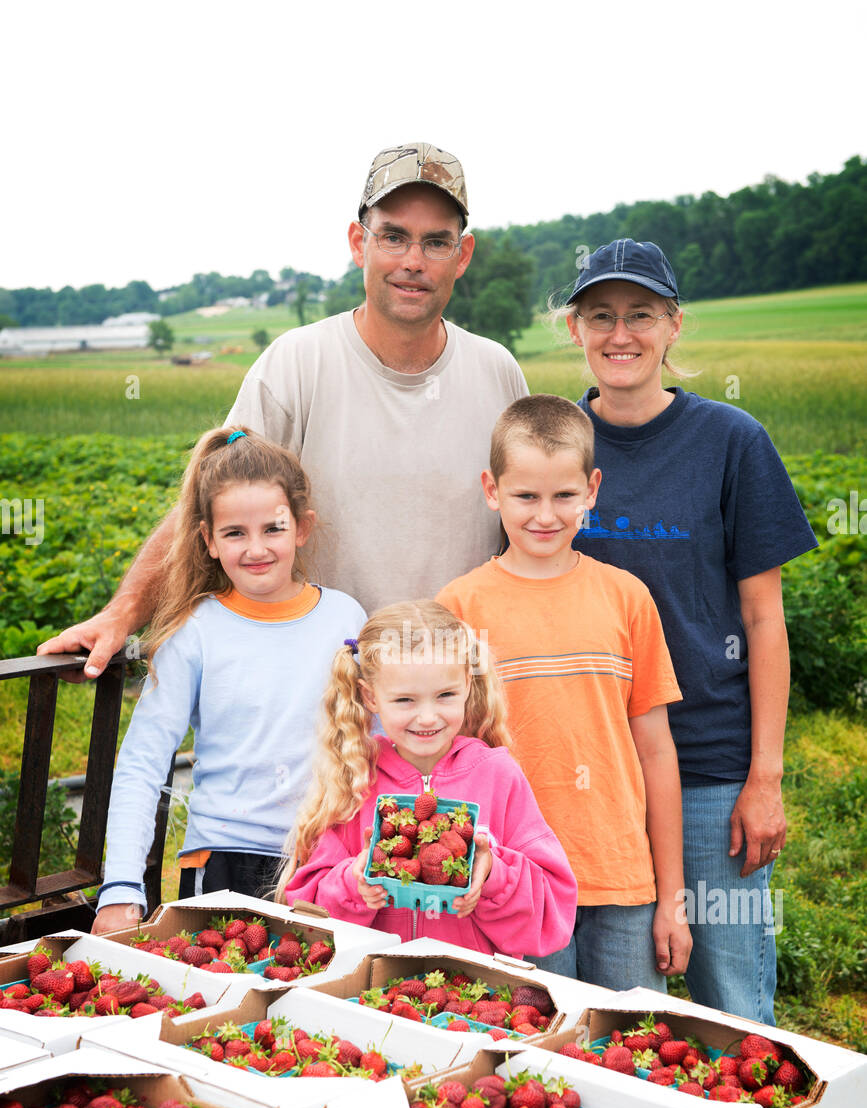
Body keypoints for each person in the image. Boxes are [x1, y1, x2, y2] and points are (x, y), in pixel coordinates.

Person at [37, 143, 528, 673]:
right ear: (358, 243)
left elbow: (533, 524)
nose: (413, 261)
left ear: (464, 254)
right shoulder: (297, 363)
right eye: (393, 236)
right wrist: (123, 612)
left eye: (436, 242)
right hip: (323, 690)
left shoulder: (497, 372)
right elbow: (211, 499)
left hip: (457, 698)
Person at [558, 238, 818, 1024]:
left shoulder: (730, 441)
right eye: (599, 315)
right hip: (591, 771)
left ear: (673, 326)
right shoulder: (552, 443)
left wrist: (762, 778)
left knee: (730, 1002)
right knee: (615, 1012)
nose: (620, 334)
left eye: (640, 314)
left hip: (708, 764)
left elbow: (762, 619)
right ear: (575, 329)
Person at [436, 394, 689, 991]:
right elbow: (446, 762)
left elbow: (656, 750)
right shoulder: (459, 607)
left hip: (621, 873)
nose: (544, 515)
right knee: (538, 1057)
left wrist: (673, 894)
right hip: (514, 878)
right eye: (525, 496)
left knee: (633, 1046)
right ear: (491, 489)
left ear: (592, 489)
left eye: (563, 496)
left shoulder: (627, 597)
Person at [91, 426, 366, 935]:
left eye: (273, 529)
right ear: (208, 540)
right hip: (221, 865)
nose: (255, 548)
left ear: (302, 528)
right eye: (235, 533)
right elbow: (142, 763)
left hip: (325, 860)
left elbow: (376, 737)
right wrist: (122, 886)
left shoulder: (345, 619)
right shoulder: (193, 631)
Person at [277, 601, 578, 958]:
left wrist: (493, 874)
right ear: (370, 696)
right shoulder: (355, 776)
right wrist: (353, 884)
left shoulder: (498, 776)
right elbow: (304, 918)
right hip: (371, 995)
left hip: (473, 999)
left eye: (445, 695)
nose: (426, 717)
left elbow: (551, 918)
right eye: (405, 699)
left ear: (468, 683)